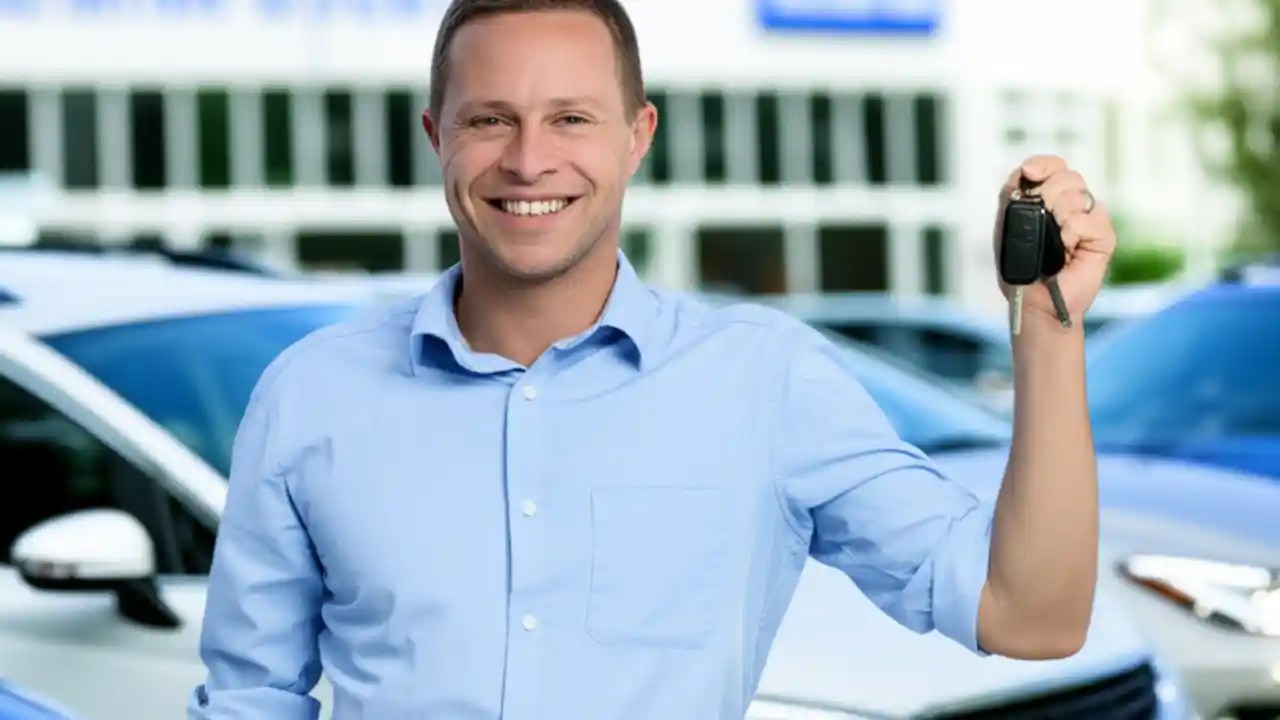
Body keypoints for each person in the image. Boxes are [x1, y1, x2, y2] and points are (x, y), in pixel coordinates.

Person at [188, 1, 1114, 718]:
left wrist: (1046, 330)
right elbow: (249, 698)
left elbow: (1030, 616)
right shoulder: (310, 397)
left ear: (638, 137)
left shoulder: (767, 385)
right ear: (438, 138)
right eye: (491, 121)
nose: (529, 160)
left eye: (571, 118)